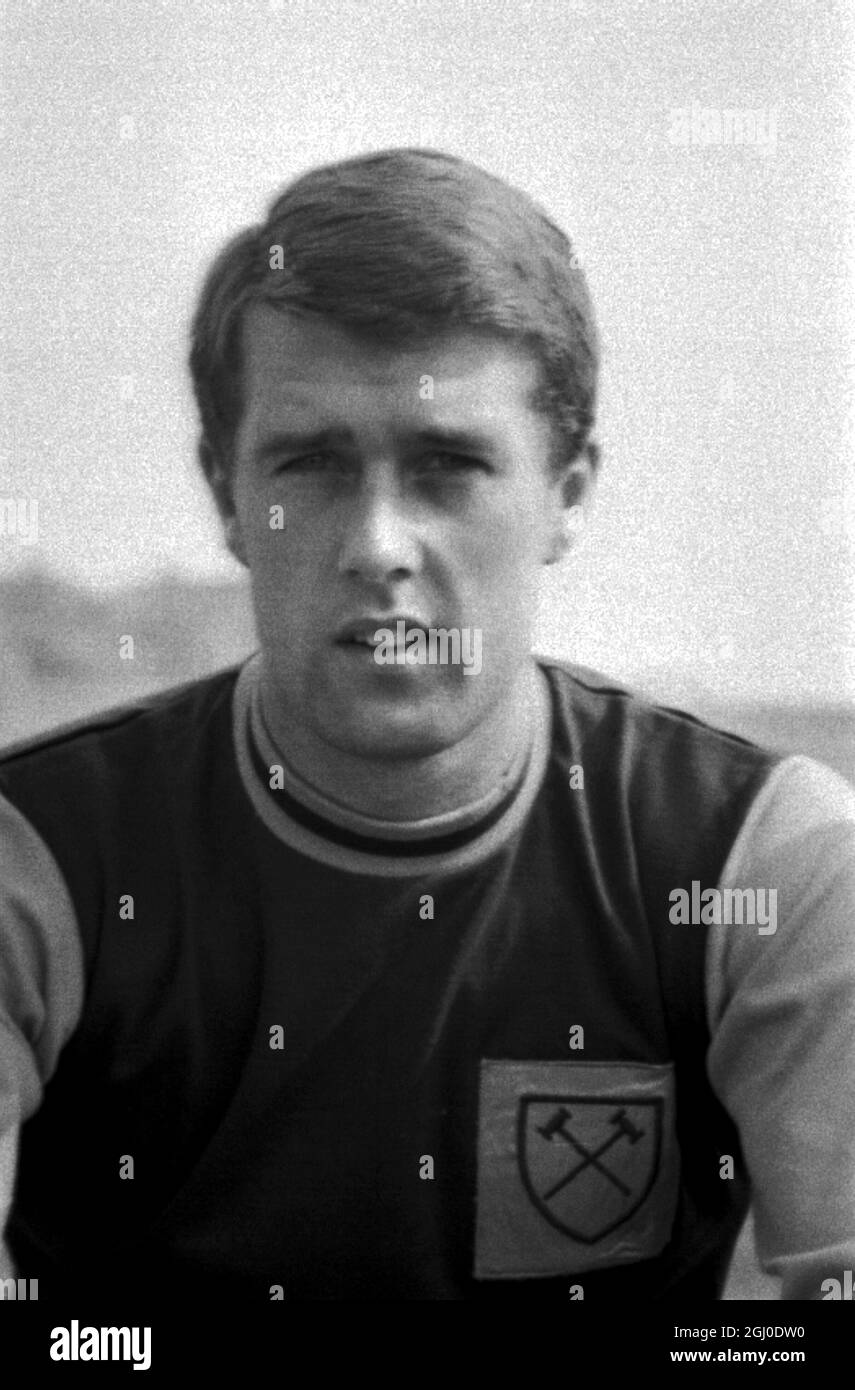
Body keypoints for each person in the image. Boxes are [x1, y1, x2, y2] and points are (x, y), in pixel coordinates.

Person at [0, 148, 852, 1303]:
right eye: (313, 463)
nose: (379, 545)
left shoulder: (767, 861)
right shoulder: (36, 862)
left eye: (449, 466)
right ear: (226, 496)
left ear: (569, 493)